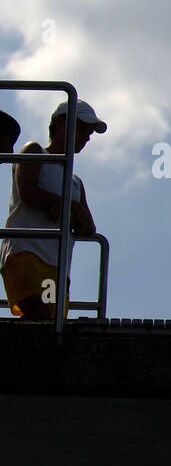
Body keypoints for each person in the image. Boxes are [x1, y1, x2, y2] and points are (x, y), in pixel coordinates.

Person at [0, 100, 104, 319]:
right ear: (59, 122)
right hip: (26, 254)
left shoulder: (75, 181)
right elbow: (28, 192)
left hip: (57, 268)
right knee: (40, 319)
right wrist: (71, 206)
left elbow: (87, 227)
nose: (87, 135)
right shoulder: (34, 151)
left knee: (50, 327)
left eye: (90, 131)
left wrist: (67, 209)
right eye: (83, 127)